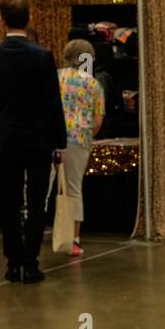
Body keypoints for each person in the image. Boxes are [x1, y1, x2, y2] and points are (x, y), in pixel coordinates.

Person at [0, 0, 67, 283]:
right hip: (39, 139)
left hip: (7, 139)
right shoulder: (42, 56)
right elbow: (53, 104)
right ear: (29, 18)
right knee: (36, 200)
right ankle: (30, 263)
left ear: (2, 21)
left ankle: (12, 261)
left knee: (10, 201)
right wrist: (58, 142)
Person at [54, 39, 105, 255]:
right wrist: (85, 135)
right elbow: (98, 120)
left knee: (42, 189)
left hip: (50, 139)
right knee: (74, 189)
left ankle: (33, 234)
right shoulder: (93, 84)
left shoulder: (53, 77)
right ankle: (73, 240)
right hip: (78, 140)